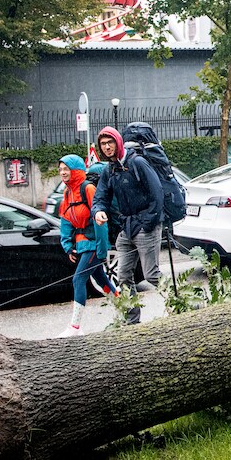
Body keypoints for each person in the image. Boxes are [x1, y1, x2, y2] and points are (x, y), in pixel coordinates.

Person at [90, 125, 163, 325]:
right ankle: (132, 320)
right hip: (127, 228)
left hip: (146, 227)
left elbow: (157, 193)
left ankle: (183, 303)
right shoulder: (109, 170)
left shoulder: (138, 162)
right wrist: (98, 211)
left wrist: (148, 223)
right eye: (103, 144)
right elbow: (100, 197)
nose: (106, 147)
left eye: (109, 142)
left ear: (118, 142)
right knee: (123, 275)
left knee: (151, 275)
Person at [55, 154, 112, 336]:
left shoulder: (88, 188)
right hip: (82, 245)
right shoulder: (67, 193)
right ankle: (127, 309)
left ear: (76, 170)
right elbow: (65, 221)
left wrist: (102, 249)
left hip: (94, 245)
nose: (63, 172)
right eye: (61, 169)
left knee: (78, 279)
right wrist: (67, 245)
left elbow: (99, 220)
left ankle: (75, 327)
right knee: (102, 279)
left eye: (66, 169)